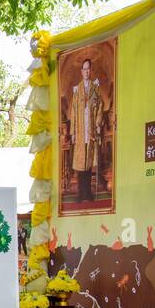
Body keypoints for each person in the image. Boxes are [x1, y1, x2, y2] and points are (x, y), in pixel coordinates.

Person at [67, 57, 107, 203]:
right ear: (81, 71)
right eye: (84, 69)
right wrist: (72, 133)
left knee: (88, 163)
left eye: (88, 69)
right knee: (80, 163)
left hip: (90, 130)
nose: (86, 71)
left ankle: (88, 193)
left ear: (90, 70)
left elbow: (100, 106)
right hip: (79, 131)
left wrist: (97, 123)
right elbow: (73, 111)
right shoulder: (77, 90)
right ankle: (80, 193)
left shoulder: (95, 88)